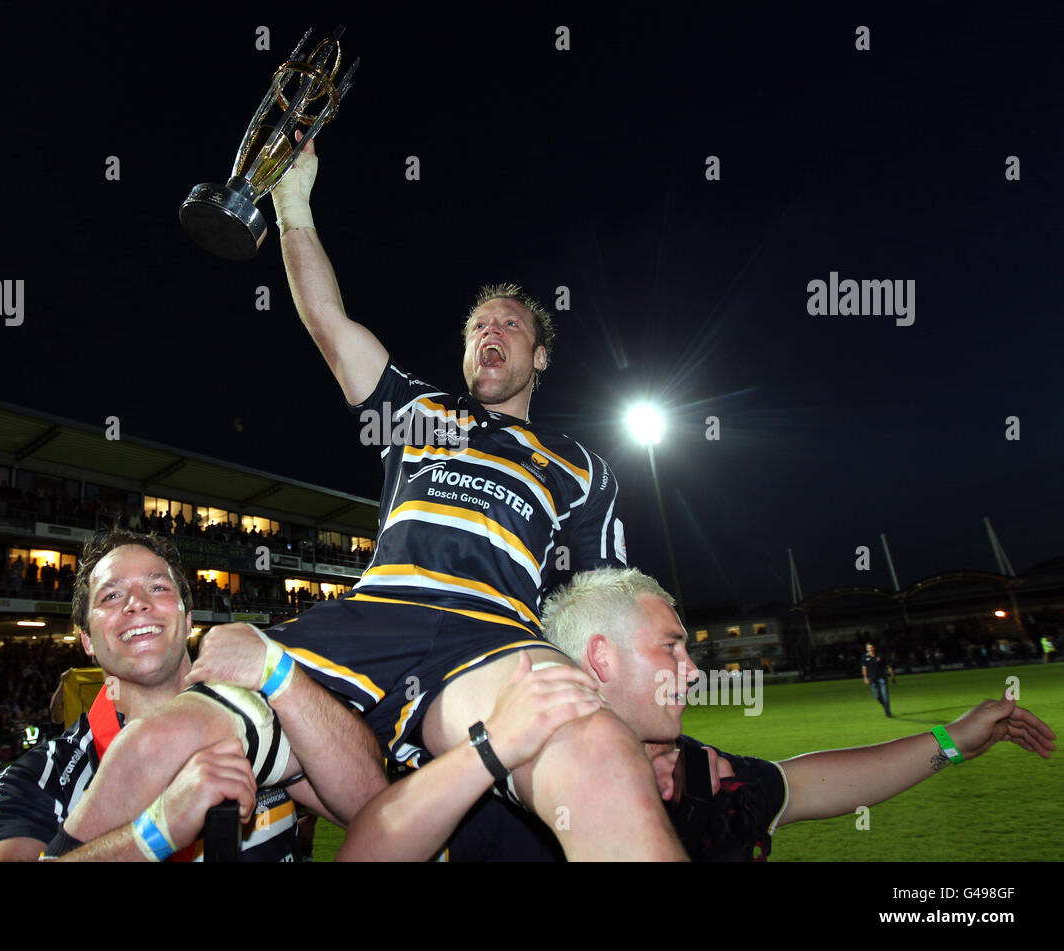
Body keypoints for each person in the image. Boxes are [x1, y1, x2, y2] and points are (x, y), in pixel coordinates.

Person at [259, 136, 680, 860]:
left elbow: (605, 599)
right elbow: (328, 322)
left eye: (511, 323)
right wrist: (291, 197)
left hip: (493, 649)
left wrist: (645, 724)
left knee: (580, 761)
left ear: (539, 356)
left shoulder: (580, 465)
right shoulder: (416, 410)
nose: (492, 329)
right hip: (370, 625)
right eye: (480, 324)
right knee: (209, 728)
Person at [337, 567, 1057, 861]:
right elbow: (370, 838)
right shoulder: (509, 779)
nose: (694, 670)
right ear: (600, 658)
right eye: (673, 647)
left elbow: (818, 783)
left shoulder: (700, 771)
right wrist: (487, 757)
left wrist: (953, 740)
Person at [0, 530, 385, 862]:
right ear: (87, 640)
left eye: (158, 588)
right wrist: (153, 834)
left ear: (188, 618)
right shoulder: (40, 777)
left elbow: (376, 810)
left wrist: (284, 679)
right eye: (110, 596)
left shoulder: (262, 712)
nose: (137, 604)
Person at [862, 642, 895, 717]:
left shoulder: (881, 656)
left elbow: (889, 667)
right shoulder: (864, 657)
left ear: (874, 648)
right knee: (877, 696)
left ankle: (888, 712)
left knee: (885, 696)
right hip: (872, 680)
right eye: (868, 648)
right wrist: (865, 677)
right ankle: (885, 706)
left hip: (882, 679)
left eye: (871, 647)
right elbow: (864, 668)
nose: (870, 649)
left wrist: (892, 677)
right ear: (866, 649)